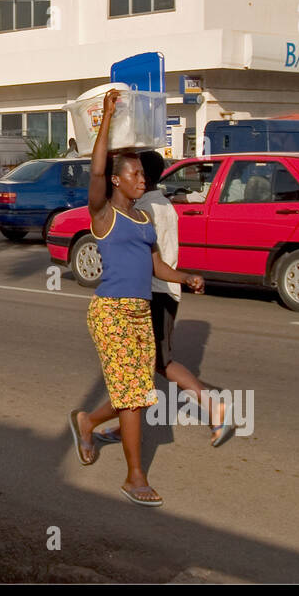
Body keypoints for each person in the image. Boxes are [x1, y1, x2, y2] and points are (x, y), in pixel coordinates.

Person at [67, 90, 205, 507]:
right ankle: (135, 476)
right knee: (134, 396)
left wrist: (186, 277)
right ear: (116, 179)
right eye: (135, 175)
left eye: (144, 174)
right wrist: (107, 116)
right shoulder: (103, 214)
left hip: (140, 311)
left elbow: (155, 266)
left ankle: (87, 421)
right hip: (110, 312)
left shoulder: (144, 218)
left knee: (139, 391)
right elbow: (94, 172)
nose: (143, 179)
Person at [96, 150, 234, 447]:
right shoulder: (163, 204)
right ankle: (124, 426)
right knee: (137, 370)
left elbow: (150, 260)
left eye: (140, 173)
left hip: (153, 292)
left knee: (159, 363)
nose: (139, 178)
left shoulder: (143, 209)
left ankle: (212, 405)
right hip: (164, 291)